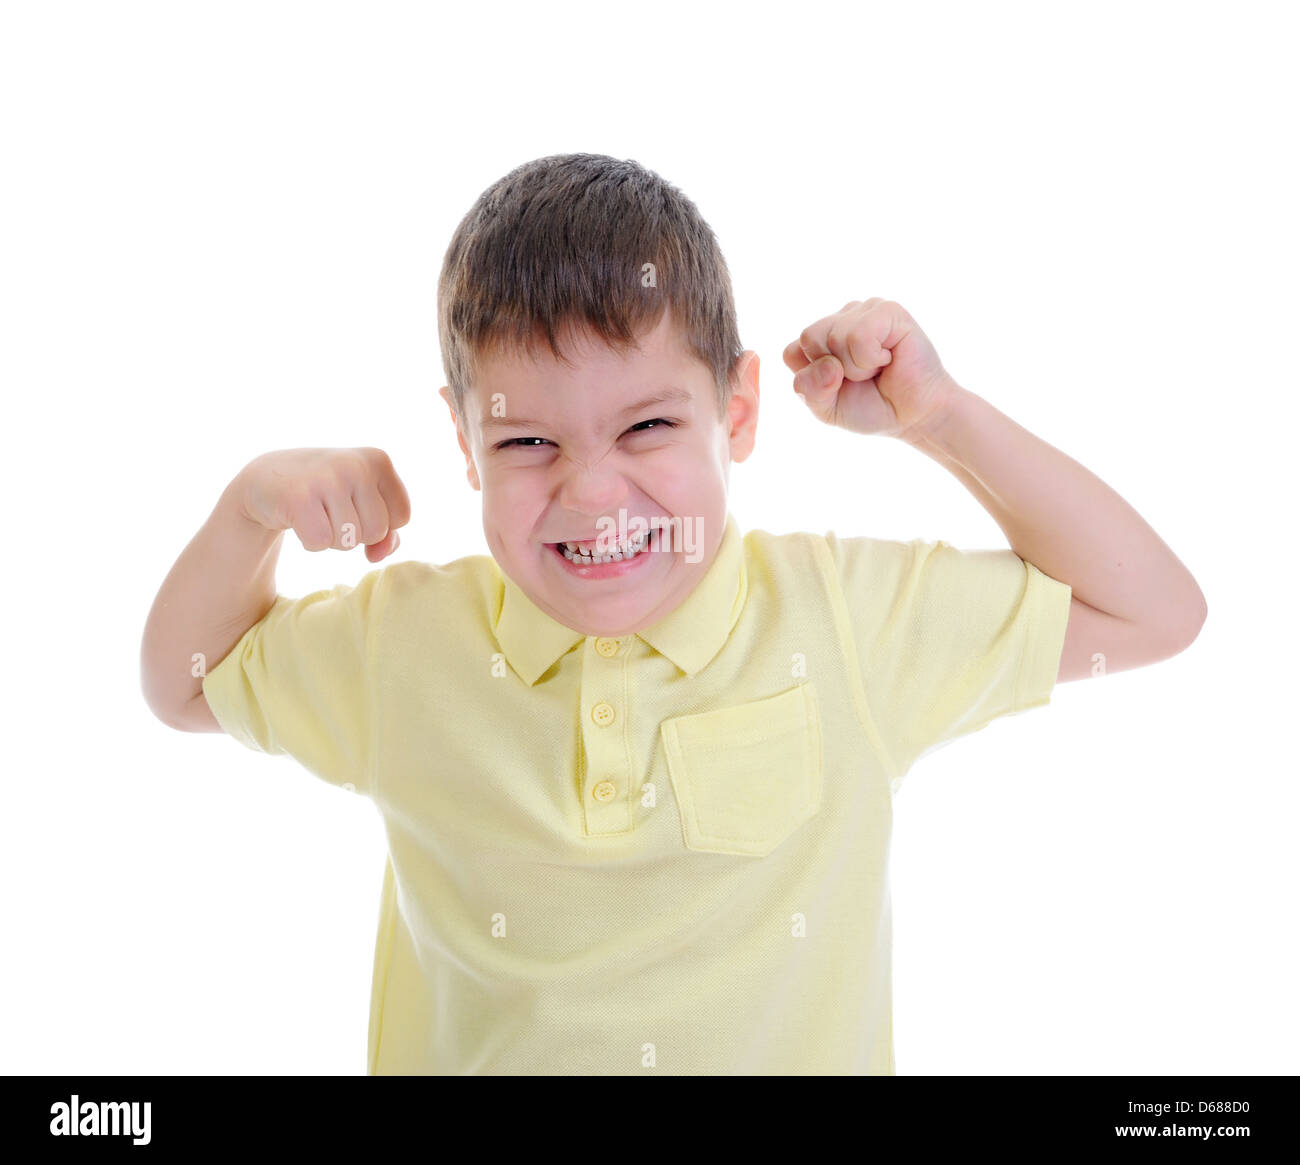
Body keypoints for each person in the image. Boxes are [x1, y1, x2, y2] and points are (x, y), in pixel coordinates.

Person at [140, 152, 1207, 1074]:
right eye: (525, 443)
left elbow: (1154, 610)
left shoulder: (845, 619)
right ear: (462, 442)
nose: (591, 492)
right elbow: (185, 683)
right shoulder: (401, 644)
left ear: (736, 412)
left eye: (646, 425)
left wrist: (942, 417)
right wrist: (251, 512)